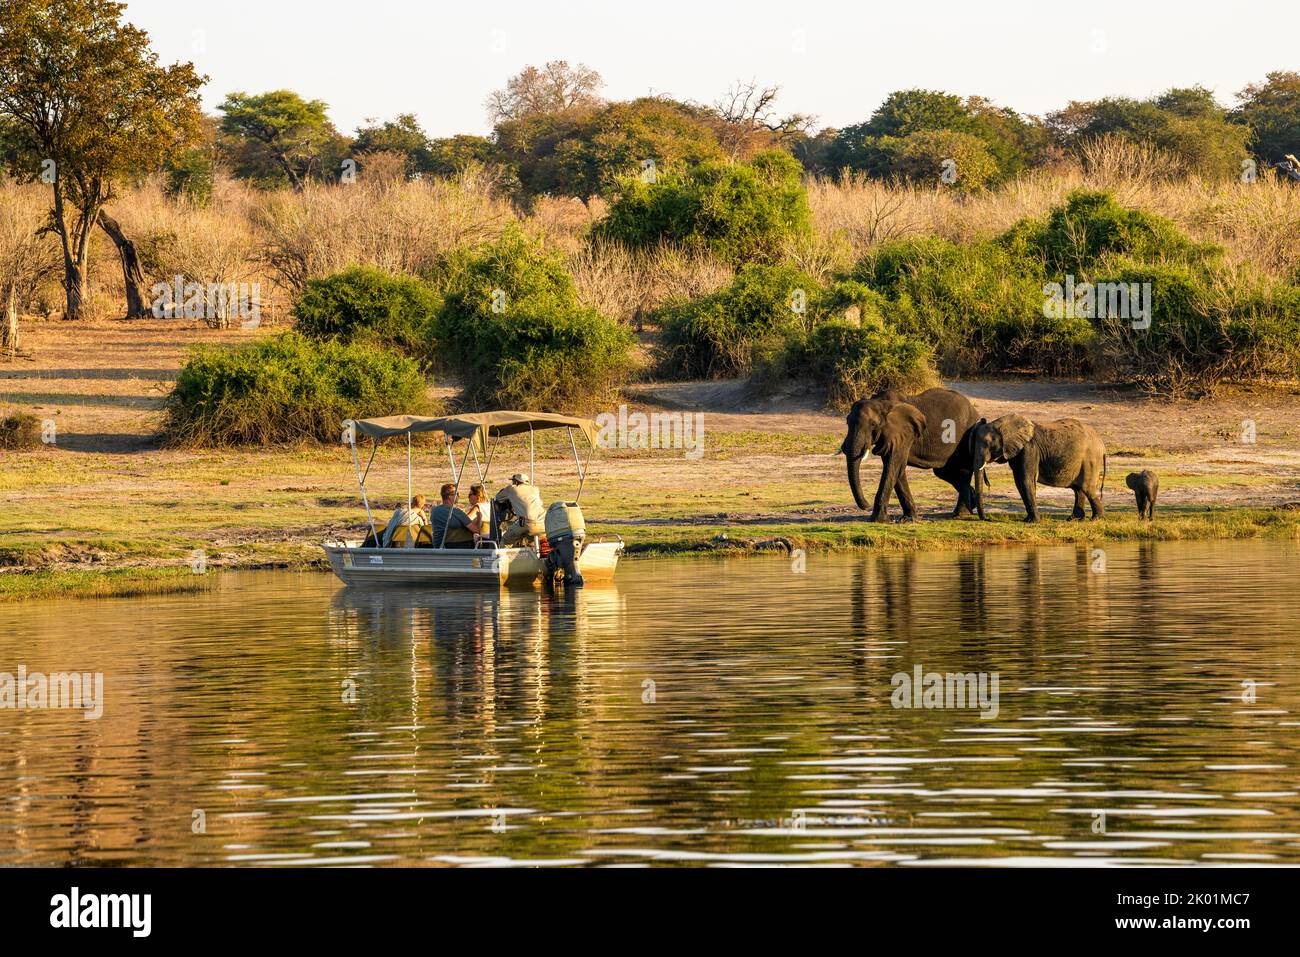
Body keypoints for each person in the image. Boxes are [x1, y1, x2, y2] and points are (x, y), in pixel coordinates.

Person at [494, 473, 546, 546]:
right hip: (542, 523)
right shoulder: (535, 489)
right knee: (531, 543)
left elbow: (497, 498)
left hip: (526, 523)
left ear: (516, 482)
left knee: (506, 541)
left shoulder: (512, 489)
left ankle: (502, 556)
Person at [428, 483, 475, 549]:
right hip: (455, 547)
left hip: (437, 545)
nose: (459, 496)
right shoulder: (456, 512)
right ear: (450, 496)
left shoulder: (434, 511)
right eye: (457, 494)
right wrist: (479, 518)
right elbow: (476, 530)